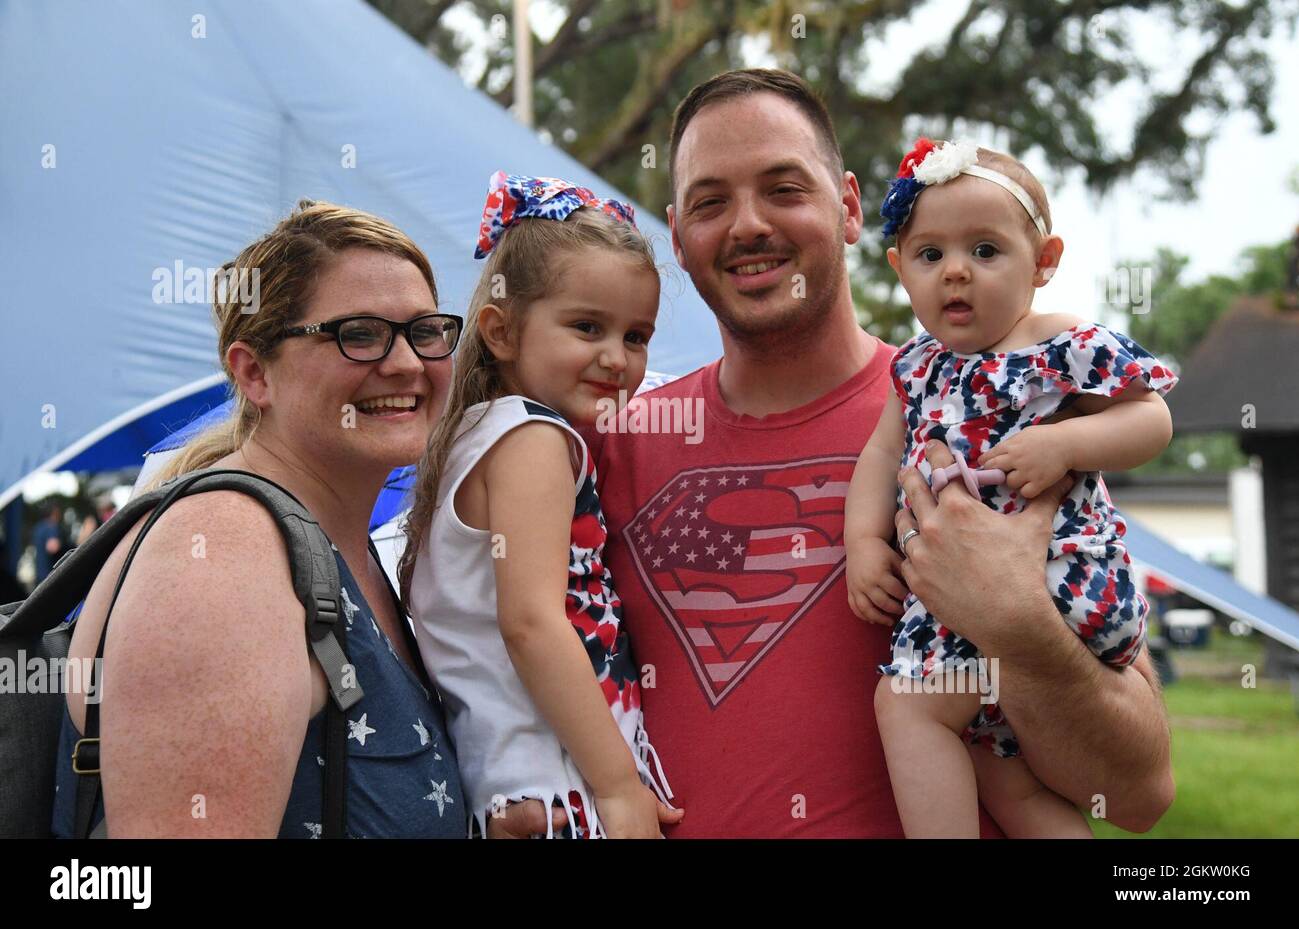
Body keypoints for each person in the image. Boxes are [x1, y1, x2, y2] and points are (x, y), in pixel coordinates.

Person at [482, 68, 1174, 839]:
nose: (748, 225)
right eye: (711, 202)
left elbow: (1138, 793)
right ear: (676, 236)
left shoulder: (982, 418)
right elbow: (502, 651)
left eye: (783, 189)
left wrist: (1019, 626)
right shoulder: (598, 449)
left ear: (848, 207)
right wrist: (512, 802)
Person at [51, 200, 468, 838]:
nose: (408, 362)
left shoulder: (335, 550)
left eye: (426, 331)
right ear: (254, 373)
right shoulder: (222, 552)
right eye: (359, 334)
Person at [845, 138, 1178, 838]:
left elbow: (1151, 419)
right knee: (1009, 780)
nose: (956, 271)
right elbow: (879, 456)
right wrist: (863, 542)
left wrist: (1065, 443)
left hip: (1056, 586)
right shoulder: (917, 367)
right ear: (899, 268)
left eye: (985, 250)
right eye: (930, 254)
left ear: (1043, 261)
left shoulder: (1061, 344)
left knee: (906, 704)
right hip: (956, 603)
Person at [400, 173, 681, 838]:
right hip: (565, 794)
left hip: (524, 786)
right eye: (587, 327)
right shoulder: (532, 439)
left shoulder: (473, 435)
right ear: (501, 331)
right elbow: (531, 623)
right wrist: (619, 788)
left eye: (636, 336)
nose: (616, 358)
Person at [32, 504, 68, 583]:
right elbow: (52, 547)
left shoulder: (38, 528)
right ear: (55, 513)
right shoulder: (51, 527)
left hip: (40, 576)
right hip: (51, 577)